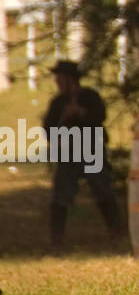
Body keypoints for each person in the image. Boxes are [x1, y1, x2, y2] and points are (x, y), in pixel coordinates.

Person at [43, 61, 122, 247]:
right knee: (61, 194)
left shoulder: (90, 96)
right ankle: (57, 238)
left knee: (102, 189)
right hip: (68, 153)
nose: (57, 82)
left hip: (91, 150)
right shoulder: (58, 103)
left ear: (70, 79)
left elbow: (100, 117)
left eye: (60, 78)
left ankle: (115, 230)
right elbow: (49, 127)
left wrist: (80, 112)